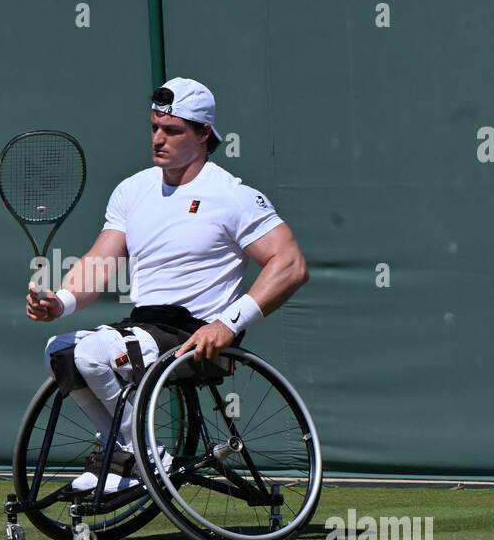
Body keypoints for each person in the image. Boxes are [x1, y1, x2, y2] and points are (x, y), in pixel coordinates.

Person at [27, 78, 308, 492]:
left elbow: (290, 264)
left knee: (92, 352)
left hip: (196, 334)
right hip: (146, 328)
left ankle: (138, 456)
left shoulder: (232, 195)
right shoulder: (132, 190)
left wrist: (228, 324)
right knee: (63, 350)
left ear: (204, 134)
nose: (159, 139)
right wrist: (61, 301)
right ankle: (121, 449)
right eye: (155, 127)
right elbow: (102, 260)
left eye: (173, 131)